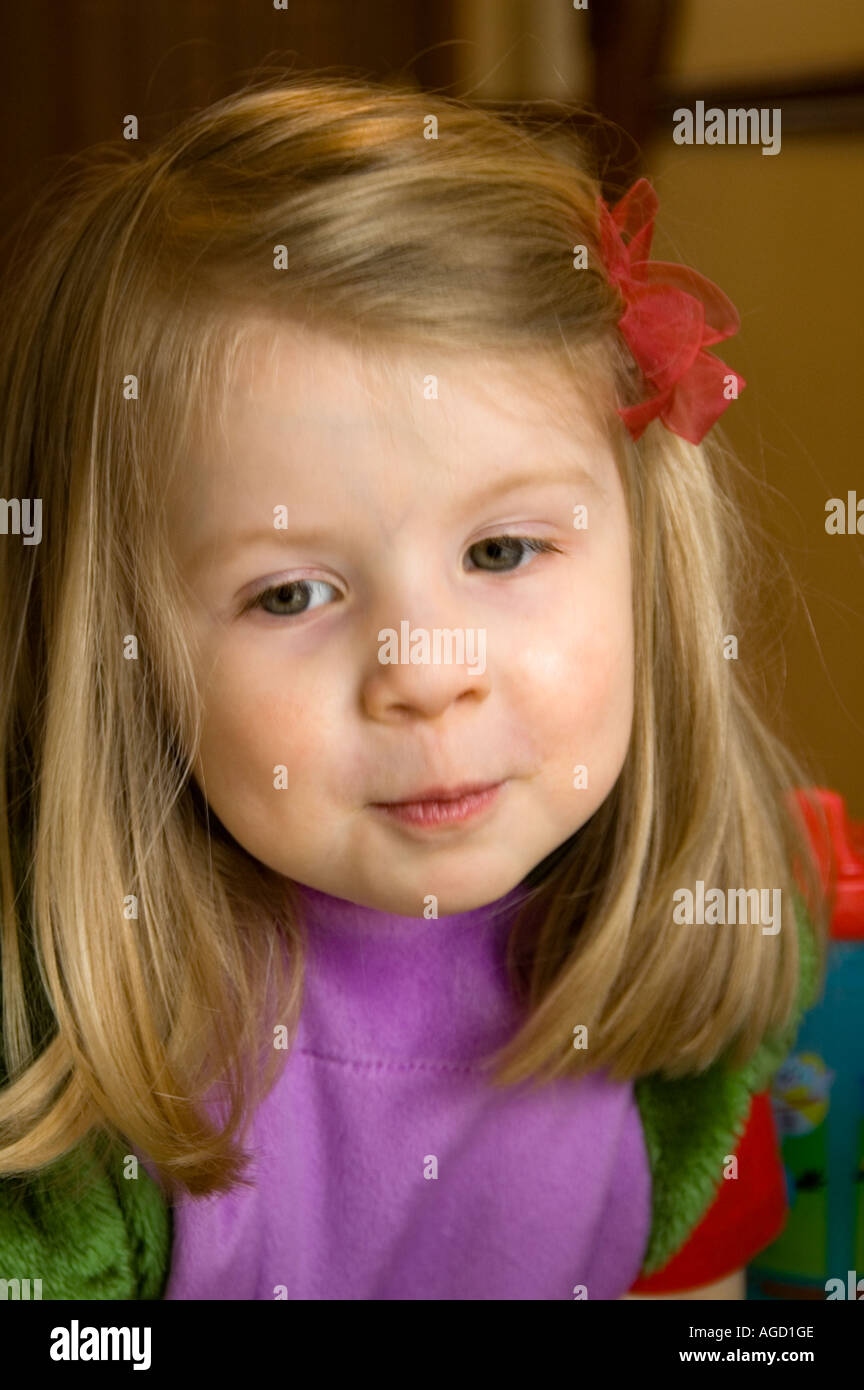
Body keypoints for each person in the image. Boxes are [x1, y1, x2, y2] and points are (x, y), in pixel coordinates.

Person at [0, 74, 829, 1300]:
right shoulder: (72, 1103)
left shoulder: (696, 1012)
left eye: (501, 552)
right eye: (291, 594)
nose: (427, 679)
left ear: (649, 568)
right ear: (123, 658)